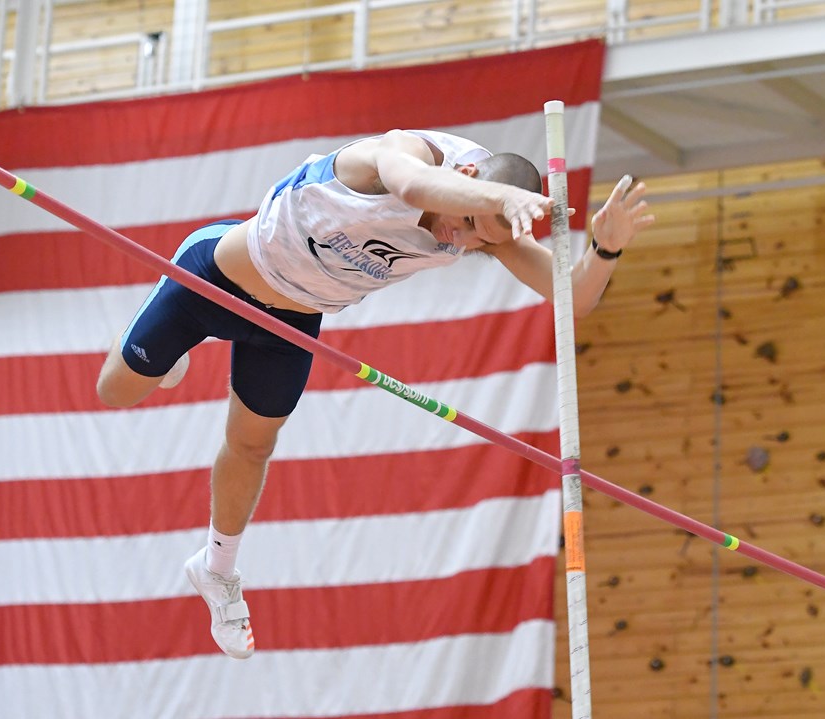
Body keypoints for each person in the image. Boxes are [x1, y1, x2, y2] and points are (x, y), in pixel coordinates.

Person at [95, 128, 655, 659]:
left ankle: (217, 569)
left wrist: (604, 251)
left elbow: (573, 297)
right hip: (218, 276)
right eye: (463, 225)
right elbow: (412, 186)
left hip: (291, 322)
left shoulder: (486, 224)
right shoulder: (401, 155)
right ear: (465, 173)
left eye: (472, 239)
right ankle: (167, 354)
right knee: (117, 392)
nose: (453, 241)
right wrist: (492, 199)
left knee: (250, 446)